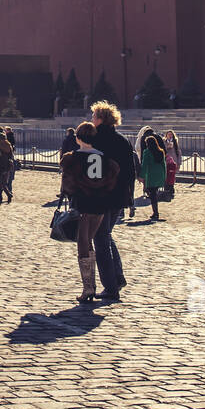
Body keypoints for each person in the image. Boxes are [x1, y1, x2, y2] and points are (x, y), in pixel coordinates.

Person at [60, 122, 121, 303]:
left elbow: (68, 185)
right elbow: (112, 181)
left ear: (78, 138)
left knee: (83, 244)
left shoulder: (72, 158)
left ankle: (88, 288)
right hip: (100, 205)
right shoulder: (104, 158)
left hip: (82, 205)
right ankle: (91, 286)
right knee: (90, 241)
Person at [89, 101, 133, 300]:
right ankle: (118, 277)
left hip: (101, 196)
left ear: (100, 119)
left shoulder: (96, 141)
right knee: (106, 235)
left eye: (93, 116)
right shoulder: (123, 140)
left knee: (100, 239)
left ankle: (110, 287)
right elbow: (130, 172)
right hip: (119, 196)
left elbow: (93, 172)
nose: (91, 119)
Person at [139, 134, 168, 220]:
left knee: (152, 194)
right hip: (159, 174)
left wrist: (141, 176)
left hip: (151, 175)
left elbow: (144, 165)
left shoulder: (147, 152)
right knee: (154, 192)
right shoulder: (161, 151)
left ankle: (155, 212)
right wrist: (164, 176)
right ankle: (155, 212)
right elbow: (164, 164)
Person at [0, 131, 15, 204]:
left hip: (0, 165)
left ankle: (2, 196)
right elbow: (11, 155)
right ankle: (8, 195)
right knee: (4, 183)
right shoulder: (8, 145)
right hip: (7, 165)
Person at [161, 130, 181, 201]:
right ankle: (167, 189)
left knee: (172, 176)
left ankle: (171, 188)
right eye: (168, 135)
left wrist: (179, 163)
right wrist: (167, 147)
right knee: (166, 175)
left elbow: (178, 152)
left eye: (171, 135)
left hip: (173, 161)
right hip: (166, 161)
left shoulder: (175, 142)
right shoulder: (163, 142)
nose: (170, 136)